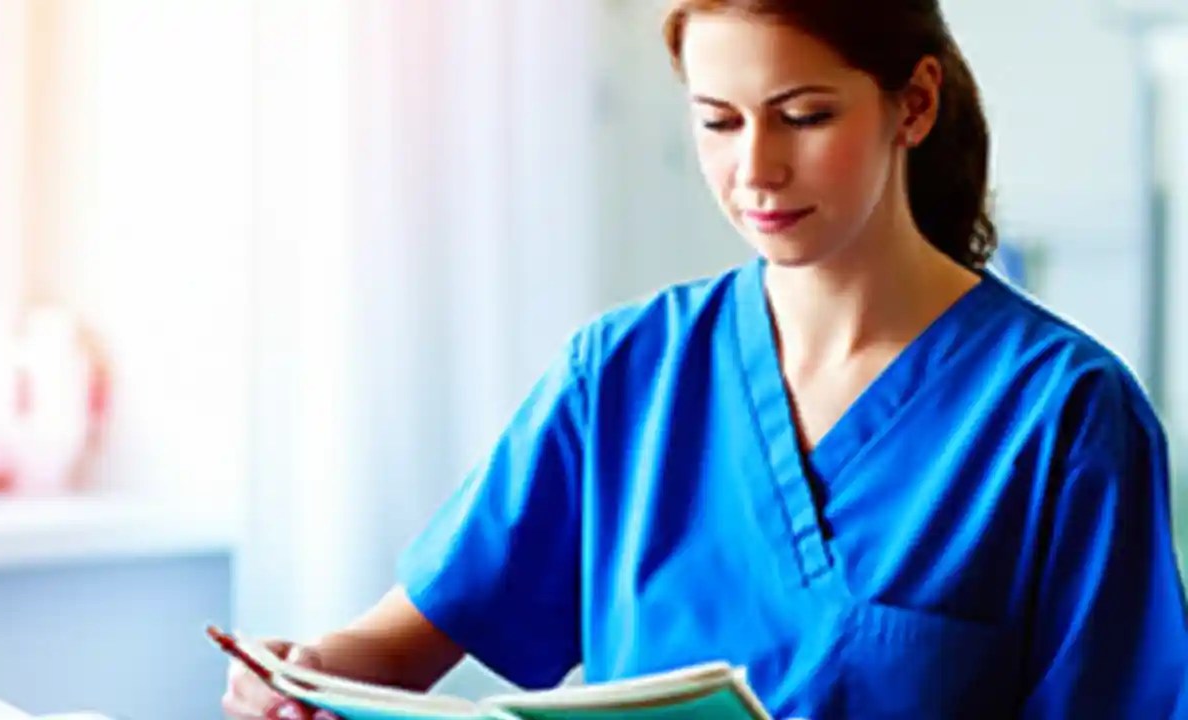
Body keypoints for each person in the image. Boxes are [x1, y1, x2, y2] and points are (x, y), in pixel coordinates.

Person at [222, 1, 1188, 718]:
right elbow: (397, 646)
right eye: (718, 121)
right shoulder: (623, 378)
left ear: (916, 104)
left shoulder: (1061, 417)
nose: (755, 170)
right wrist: (297, 674)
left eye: (803, 116)